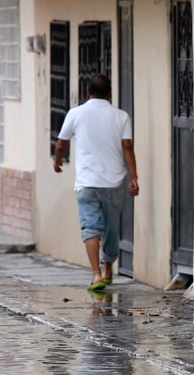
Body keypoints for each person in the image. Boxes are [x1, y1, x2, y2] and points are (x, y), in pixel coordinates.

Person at [53, 74, 139, 293]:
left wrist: (57, 161)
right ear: (110, 92)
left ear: (87, 91)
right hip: (114, 181)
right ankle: (108, 265)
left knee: (90, 227)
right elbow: (127, 146)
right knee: (112, 226)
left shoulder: (76, 113)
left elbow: (62, 142)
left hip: (87, 182)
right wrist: (134, 177)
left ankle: (96, 274)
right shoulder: (121, 116)